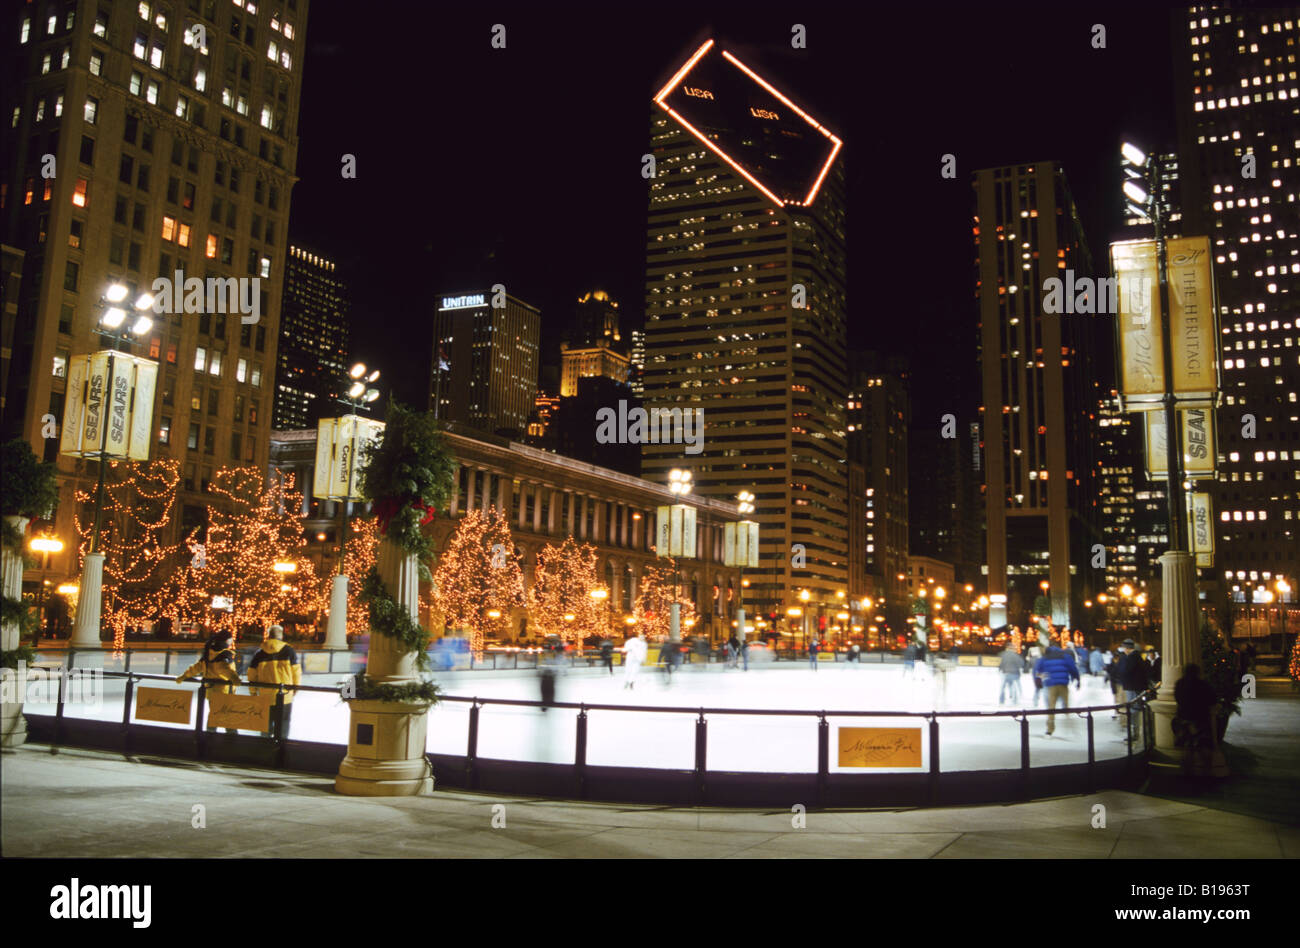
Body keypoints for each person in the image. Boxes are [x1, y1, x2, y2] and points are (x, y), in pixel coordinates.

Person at [176, 630, 242, 732]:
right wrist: (235, 679)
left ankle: (210, 736)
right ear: (227, 640)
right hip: (224, 692)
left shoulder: (209, 653)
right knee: (229, 718)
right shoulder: (224, 654)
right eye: (231, 638)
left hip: (211, 691)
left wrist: (184, 676)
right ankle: (230, 739)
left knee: (214, 715)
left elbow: (196, 668)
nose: (232, 640)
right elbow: (224, 669)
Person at [246, 624, 302, 738]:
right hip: (284, 695)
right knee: (283, 725)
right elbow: (296, 672)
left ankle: (265, 748)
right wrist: (295, 688)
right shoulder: (289, 651)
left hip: (265, 696)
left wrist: (253, 691)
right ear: (281, 635)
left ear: (269, 636)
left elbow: (252, 674)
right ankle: (281, 748)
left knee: (265, 726)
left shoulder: (259, 653)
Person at [1037, 644, 1080, 736]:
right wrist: (1076, 678)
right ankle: (1069, 724)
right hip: (1063, 684)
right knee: (1066, 704)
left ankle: (1050, 729)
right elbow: (1073, 668)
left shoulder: (1045, 657)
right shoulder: (1065, 656)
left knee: (1051, 707)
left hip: (1051, 685)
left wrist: (1039, 679)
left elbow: (1038, 670)